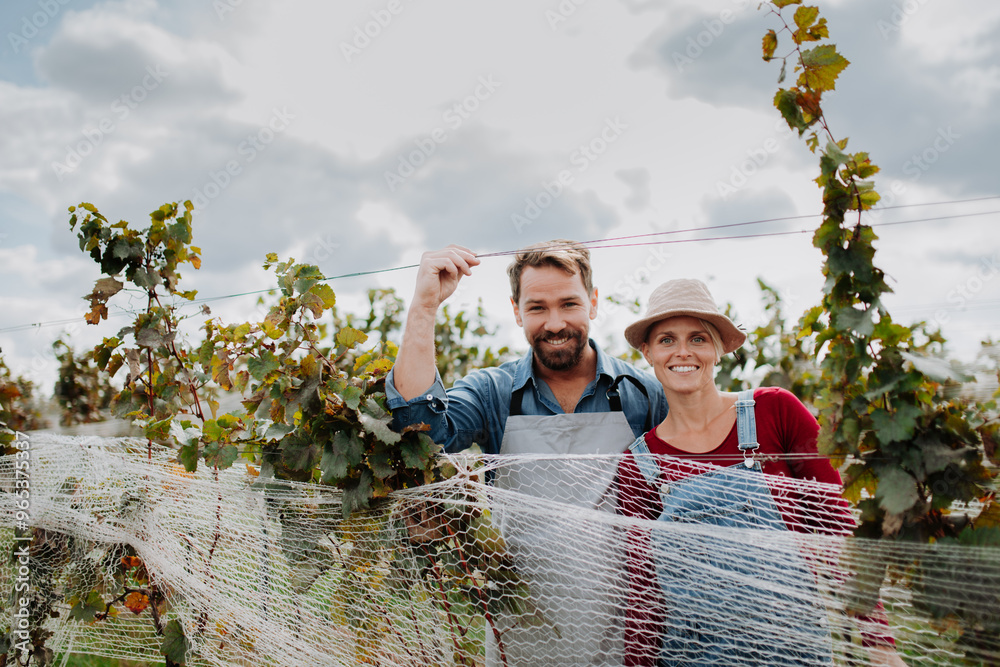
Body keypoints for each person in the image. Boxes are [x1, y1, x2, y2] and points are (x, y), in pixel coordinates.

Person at [387, 240, 669, 666]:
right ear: (517, 311)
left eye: (568, 304)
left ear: (593, 303)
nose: (555, 323)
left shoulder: (642, 395)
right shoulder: (493, 393)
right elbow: (419, 432)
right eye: (537, 308)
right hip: (522, 640)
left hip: (625, 641)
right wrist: (424, 306)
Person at [616, 278, 905, 667]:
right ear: (647, 351)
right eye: (667, 339)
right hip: (692, 657)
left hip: (793, 652)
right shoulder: (640, 463)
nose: (683, 352)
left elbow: (835, 527)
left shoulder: (775, 411)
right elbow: (645, 590)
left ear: (719, 348)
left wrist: (879, 642)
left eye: (698, 339)